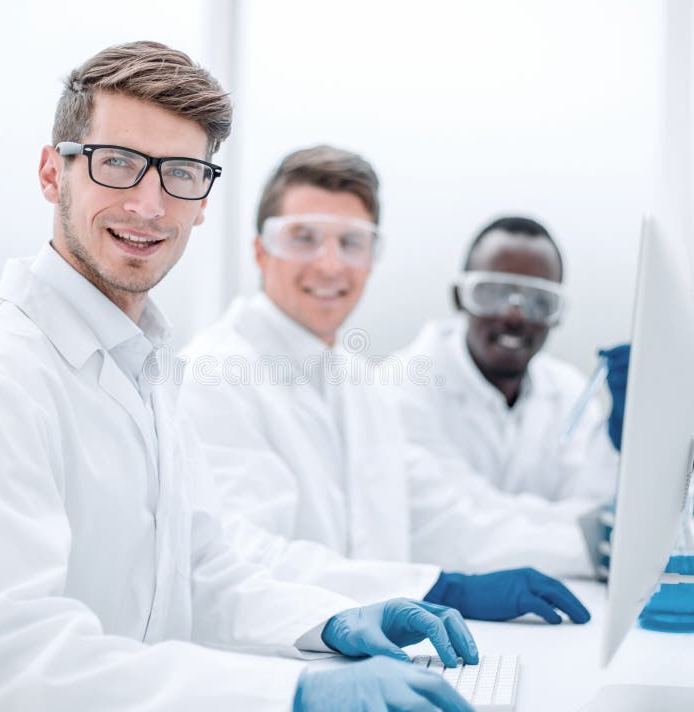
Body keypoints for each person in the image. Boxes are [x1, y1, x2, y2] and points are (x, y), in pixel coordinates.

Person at [0, 43, 485, 712]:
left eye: (180, 172)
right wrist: (295, 691)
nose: (149, 205)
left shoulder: (142, 366)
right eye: (116, 163)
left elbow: (204, 575)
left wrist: (330, 622)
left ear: (203, 199)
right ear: (51, 173)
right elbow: (15, 661)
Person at [178, 143, 603, 620]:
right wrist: (436, 590)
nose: (330, 264)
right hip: (275, 674)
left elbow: (441, 511)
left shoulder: (356, 379)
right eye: (304, 237)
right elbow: (244, 558)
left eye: (352, 242)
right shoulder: (213, 377)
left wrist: (594, 545)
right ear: (261, 250)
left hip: (374, 655)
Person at [393, 216, 624, 503]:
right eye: (493, 293)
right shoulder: (401, 387)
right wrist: (577, 527)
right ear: (459, 297)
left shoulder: (570, 393)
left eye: (538, 300)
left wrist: (617, 447)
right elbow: (452, 524)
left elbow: (595, 502)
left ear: (558, 314)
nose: (515, 315)